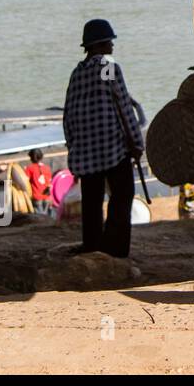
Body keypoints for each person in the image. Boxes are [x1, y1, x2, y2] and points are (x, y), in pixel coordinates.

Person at [62, 18, 144, 258]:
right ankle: (115, 247)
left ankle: (91, 244)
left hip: (85, 151)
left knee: (92, 200)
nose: (112, 45)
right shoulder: (109, 67)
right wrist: (137, 143)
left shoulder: (77, 73)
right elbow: (123, 106)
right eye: (109, 41)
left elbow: (68, 113)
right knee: (122, 195)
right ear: (101, 44)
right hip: (112, 146)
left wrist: (72, 146)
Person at [25, 149, 53, 217]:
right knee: (48, 218)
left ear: (31, 158)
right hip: (47, 197)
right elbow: (49, 182)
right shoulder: (47, 168)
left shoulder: (29, 169)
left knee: (39, 219)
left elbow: (25, 181)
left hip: (37, 197)